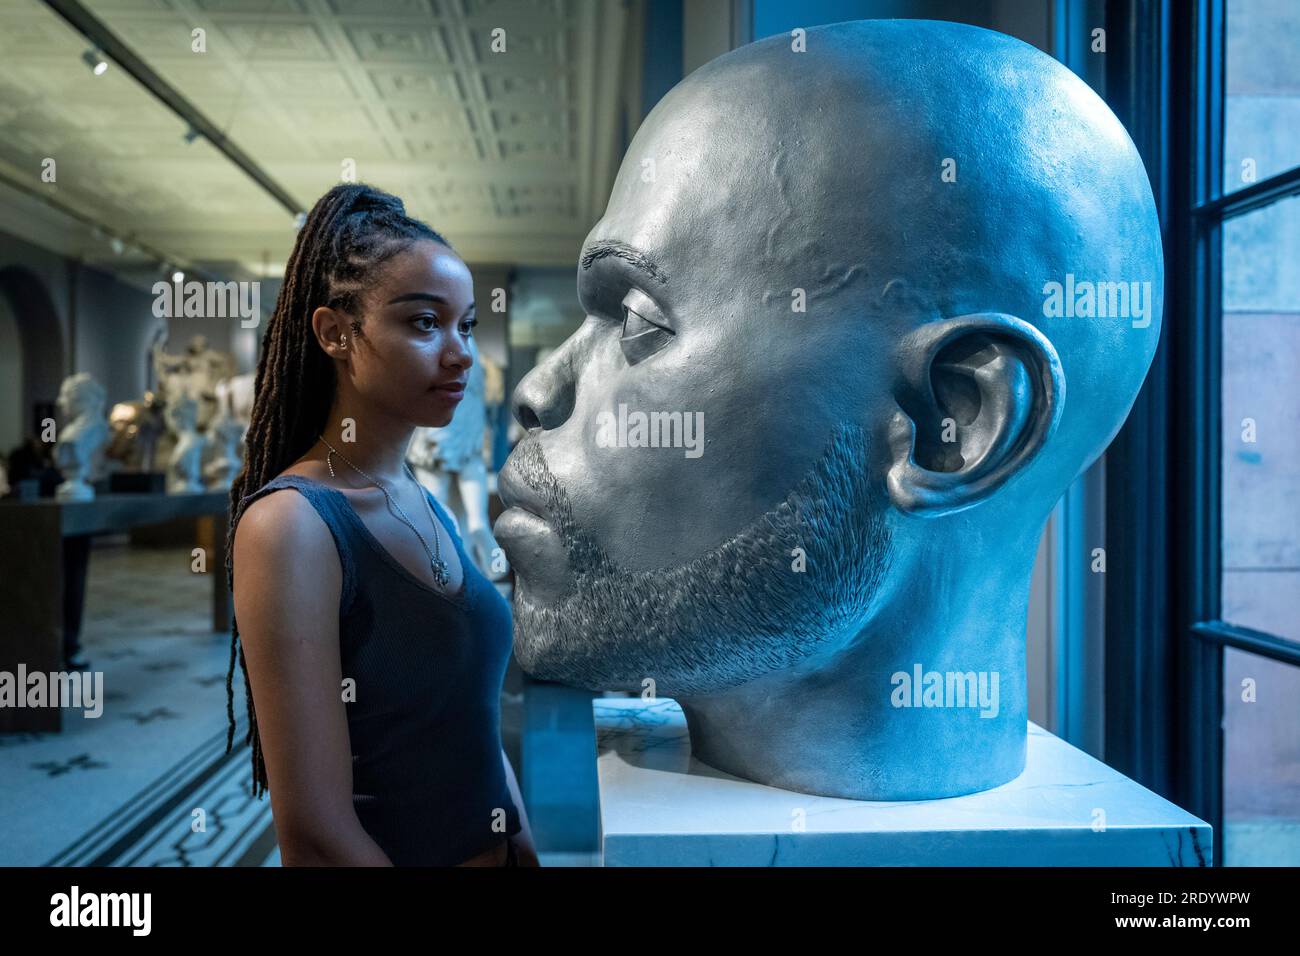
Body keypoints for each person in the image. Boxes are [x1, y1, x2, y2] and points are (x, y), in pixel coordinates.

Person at [225, 183, 538, 866]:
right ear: (336, 333)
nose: (460, 354)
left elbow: (472, 729)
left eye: (466, 326)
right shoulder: (292, 526)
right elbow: (314, 832)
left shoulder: (424, 502)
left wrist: (521, 844)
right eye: (425, 323)